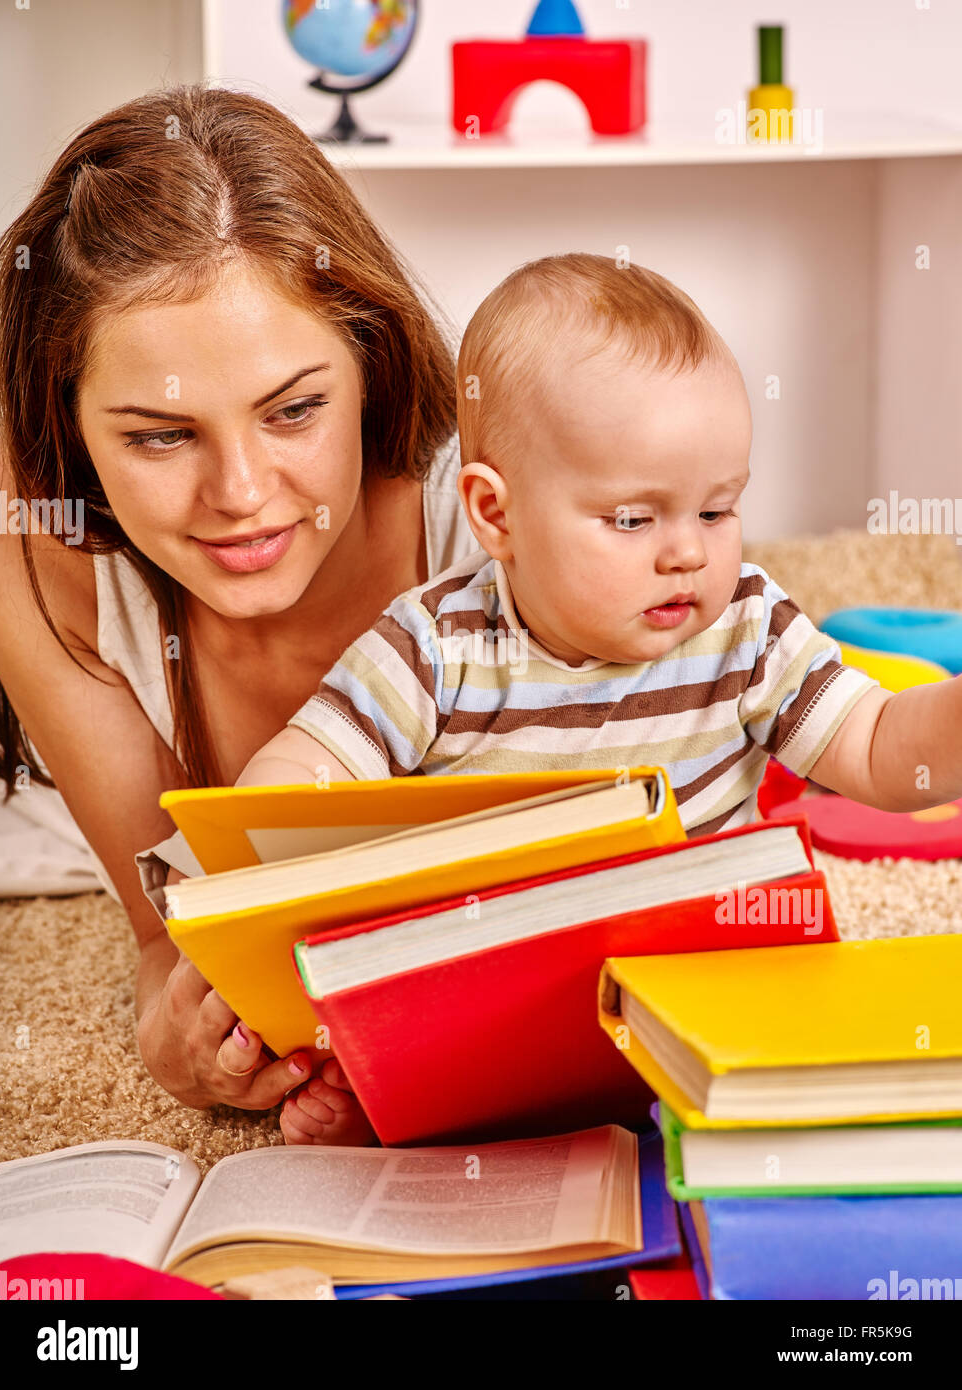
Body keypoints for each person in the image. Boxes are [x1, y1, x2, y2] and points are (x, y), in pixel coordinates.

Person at [237, 251, 962, 1144]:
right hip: (500, 990)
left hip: (697, 983)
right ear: (495, 515)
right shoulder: (435, 646)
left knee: (792, 1071)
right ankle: (406, 1105)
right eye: (633, 519)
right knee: (409, 1042)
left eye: (715, 510)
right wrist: (263, 865)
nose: (687, 554)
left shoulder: (743, 627)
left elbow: (881, 743)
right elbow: (294, 781)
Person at [0, 84, 477, 1120]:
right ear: (68, 431)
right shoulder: (21, 531)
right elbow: (168, 936)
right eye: (161, 436)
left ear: (371, 364)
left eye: (296, 409)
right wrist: (175, 1028)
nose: (242, 496)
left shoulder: (482, 503)